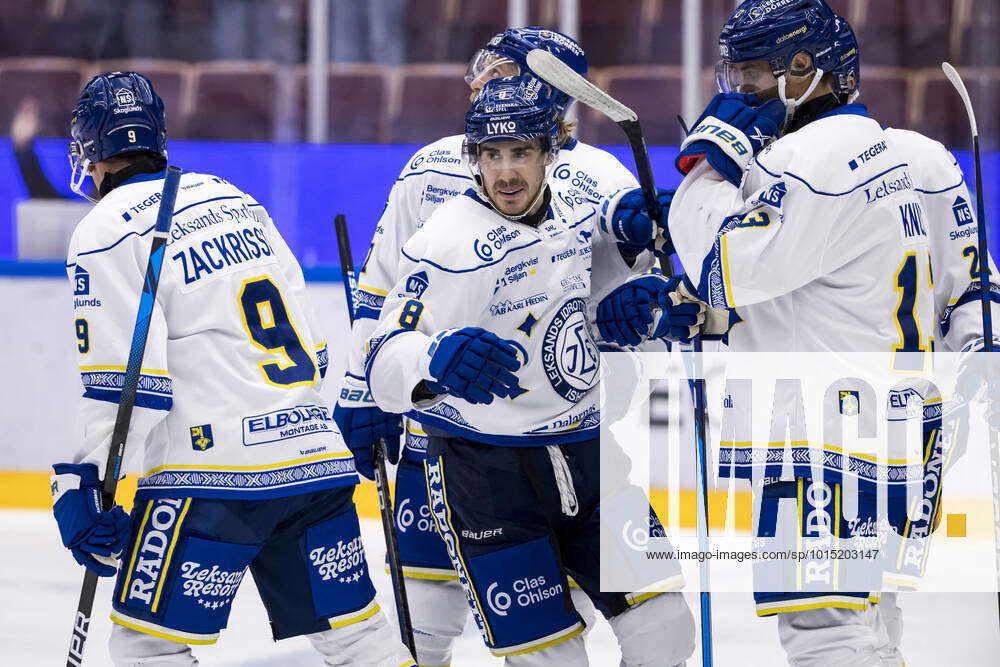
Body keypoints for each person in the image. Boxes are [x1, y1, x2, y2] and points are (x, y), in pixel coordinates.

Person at [593, 1, 1000, 664]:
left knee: (826, 632)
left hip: (826, 434)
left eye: (752, 74)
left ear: (806, 67)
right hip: (896, 424)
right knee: (867, 621)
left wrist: (703, 170)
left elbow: (726, 269)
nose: (737, 91)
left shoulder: (809, 160)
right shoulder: (871, 148)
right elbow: (797, 289)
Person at [51, 71, 414, 667]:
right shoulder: (233, 197)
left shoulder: (104, 229)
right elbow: (316, 346)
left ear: (91, 151)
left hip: (213, 478)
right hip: (313, 457)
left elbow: (128, 384)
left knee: (147, 646)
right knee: (356, 638)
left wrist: (84, 481)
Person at [333, 26, 668, 667]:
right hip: (449, 435)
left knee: (565, 626)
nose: (480, 81)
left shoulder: (595, 177)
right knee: (426, 617)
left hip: (560, 429)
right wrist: (363, 389)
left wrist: (642, 310)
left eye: (500, 70)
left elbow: (625, 295)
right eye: (481, 67)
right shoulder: (432, 168)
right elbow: (379, 292)